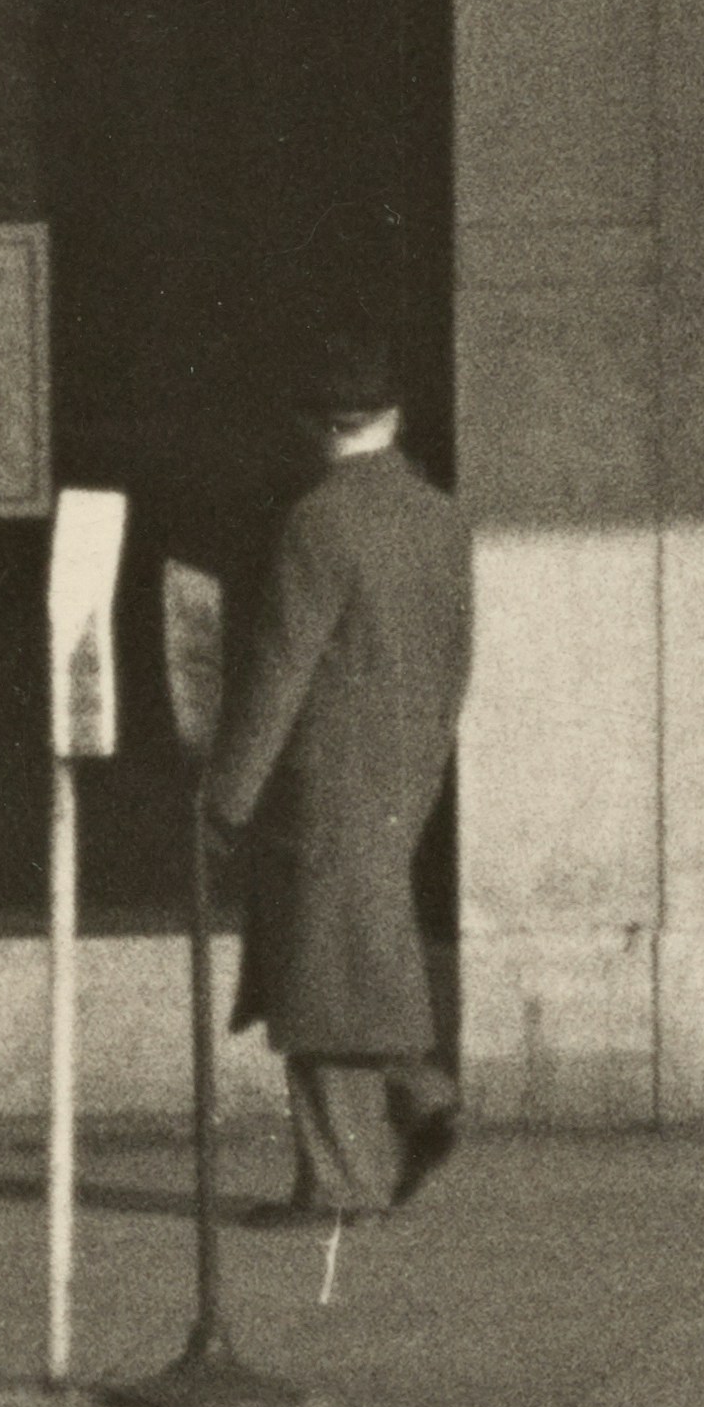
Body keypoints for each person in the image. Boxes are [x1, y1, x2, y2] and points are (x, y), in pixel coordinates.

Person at [195, 339, 473, 1226]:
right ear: (397, 419)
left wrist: (227, 796)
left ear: (315, 426)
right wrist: (422, 760)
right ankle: (421, 1098)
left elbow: (280, 671)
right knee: (358, 962)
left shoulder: (319, 521)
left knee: (321, 982)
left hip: (318, 783)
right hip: (402, 775)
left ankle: (340, 1186)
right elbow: (456, 659)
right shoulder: (440, 518)